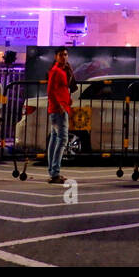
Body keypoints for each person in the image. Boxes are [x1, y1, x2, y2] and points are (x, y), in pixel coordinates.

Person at [46, 47, 76, 184]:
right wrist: (61, 105)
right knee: (62, 139)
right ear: (56, 57)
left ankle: (53, 171)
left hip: (59, 108)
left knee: (55, 139)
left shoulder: (62, 71)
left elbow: (62, 89)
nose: (64, 57)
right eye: (61, 55)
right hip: (59, 109)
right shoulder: (56, 71)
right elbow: (51, 90)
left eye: (65, 54)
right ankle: (55, 172)